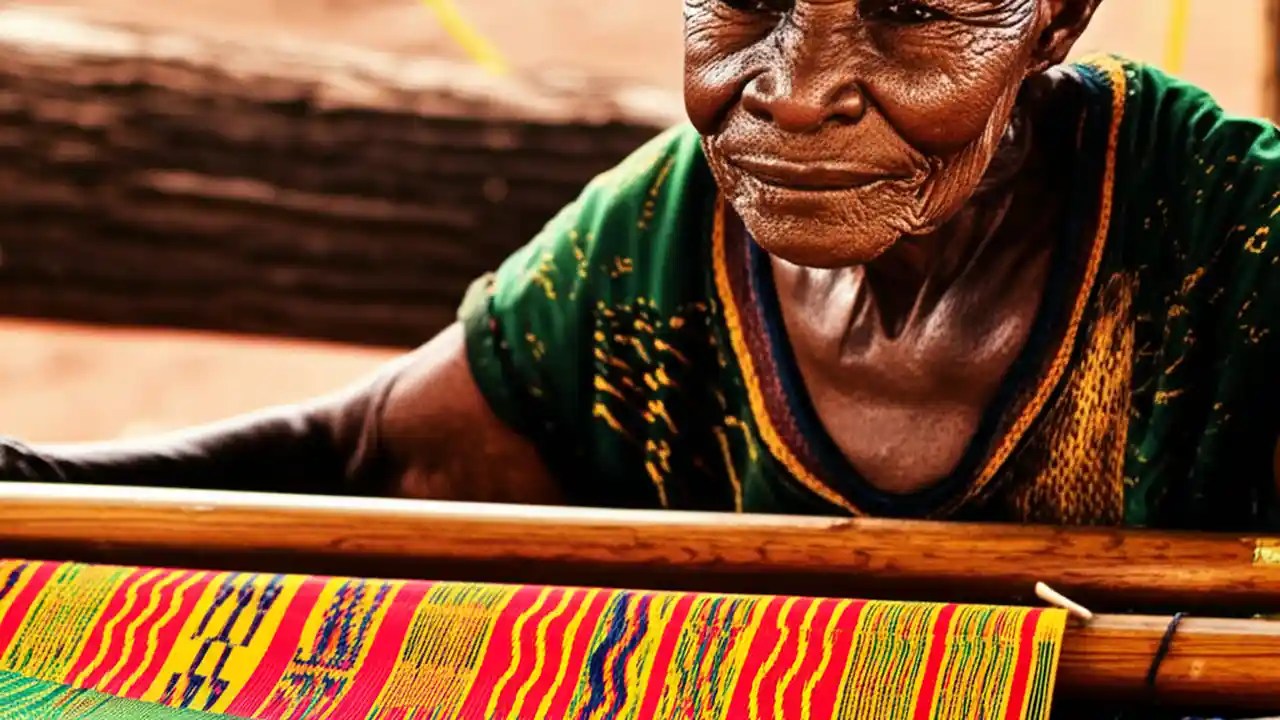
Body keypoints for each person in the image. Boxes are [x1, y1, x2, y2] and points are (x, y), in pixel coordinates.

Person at [2, 0, 1277, 531]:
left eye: (912, 11)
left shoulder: (1236, 248)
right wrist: (32, 484)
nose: (792, 89)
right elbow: (374, 459)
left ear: (1053, 16)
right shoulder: (669, 236)